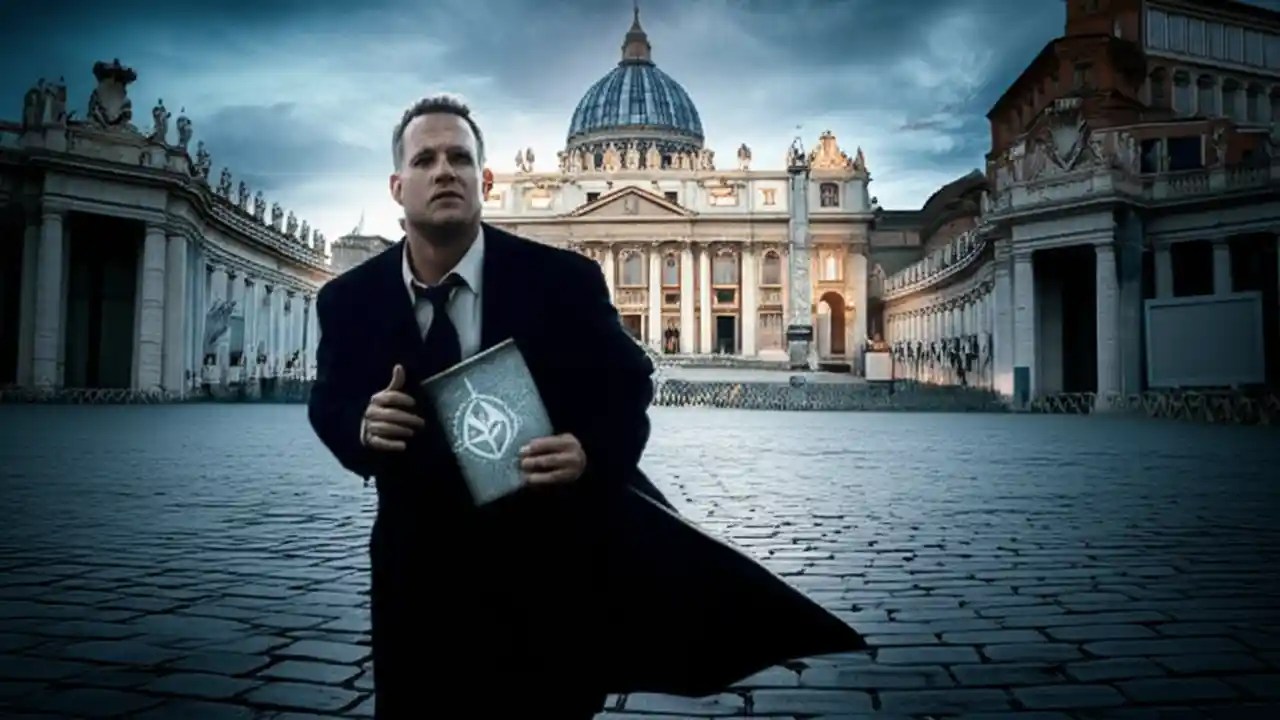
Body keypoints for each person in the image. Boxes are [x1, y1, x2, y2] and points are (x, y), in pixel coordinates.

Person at [307, 94, 665, 718]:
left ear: (486, 180)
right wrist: (358, 426)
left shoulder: (563, 280)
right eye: (425, 159)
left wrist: (589, 450)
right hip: (415, 579)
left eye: (458, 157)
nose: (443, 170)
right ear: (398, 185)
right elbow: (328, 401)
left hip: (547, 574)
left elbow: (628, 384)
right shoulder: (347, 300)